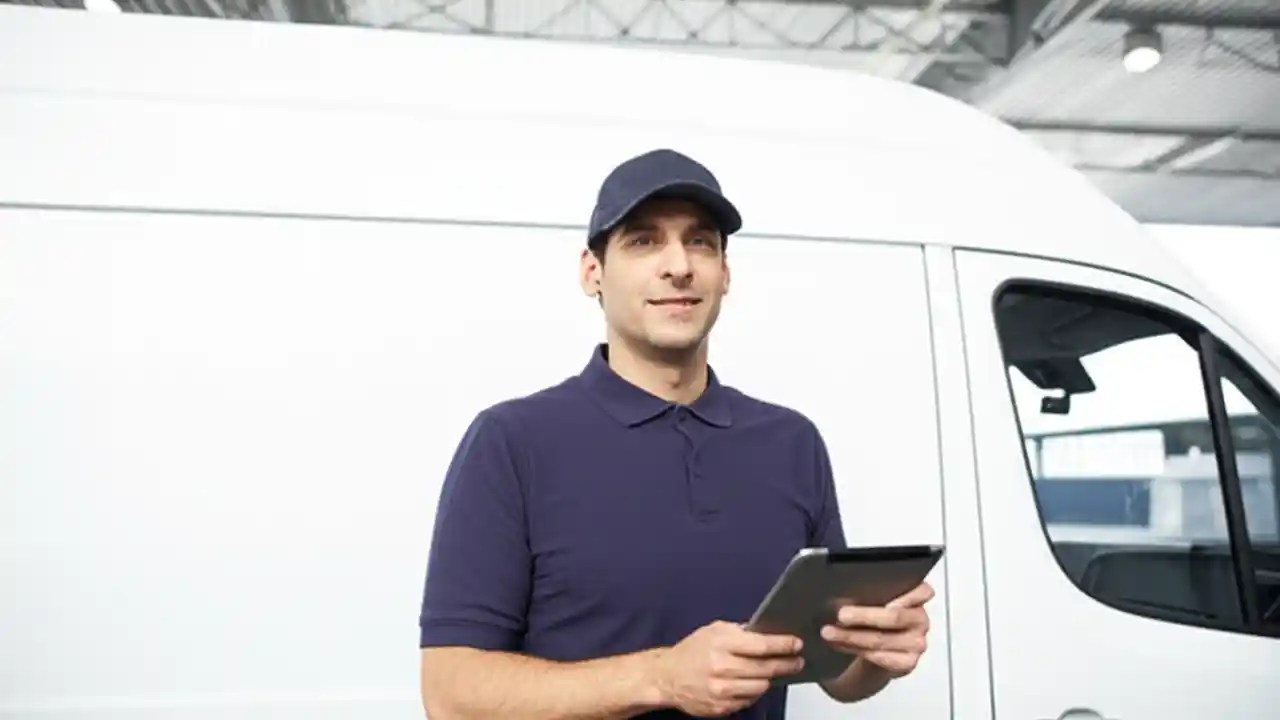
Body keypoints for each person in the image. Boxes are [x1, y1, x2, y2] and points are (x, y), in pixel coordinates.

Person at [417, 148, 934, 719]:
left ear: (725, 273)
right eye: (644, 241)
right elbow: (451, 696)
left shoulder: (791, 444)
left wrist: (878, 656)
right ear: (592, 272)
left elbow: (836, 672)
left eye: (700, 242)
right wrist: (661, 678)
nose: (679, 266)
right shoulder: (512, 442)